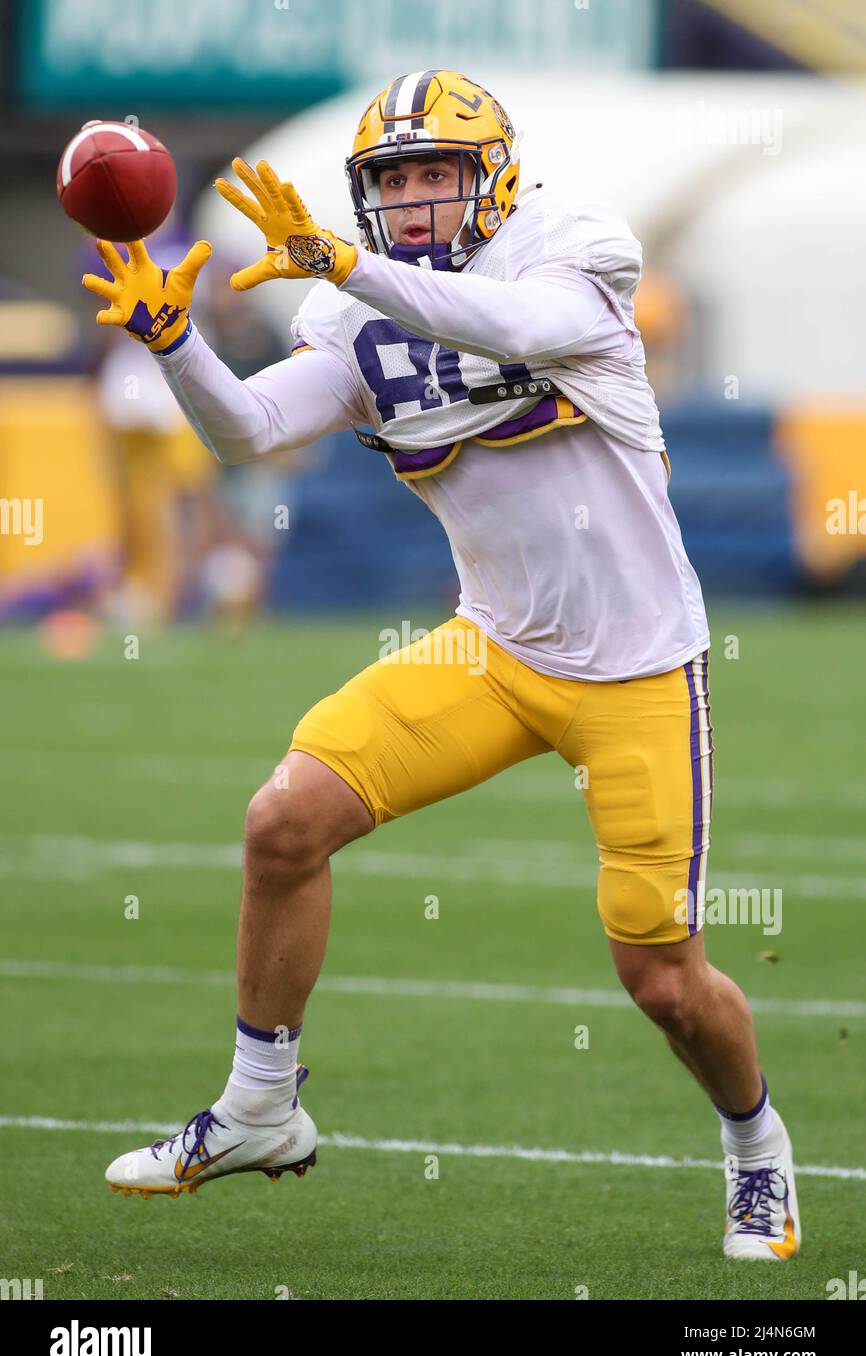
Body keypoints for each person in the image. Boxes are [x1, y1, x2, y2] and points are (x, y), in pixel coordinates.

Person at [84, 69, 799, 1261]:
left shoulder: (569, 248)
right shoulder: (349, 304)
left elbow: (516, 330)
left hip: (634, 669)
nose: (411, 200)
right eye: (391, 182)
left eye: (434, 174)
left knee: (664, 982)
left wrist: (343, 265)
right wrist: (175, 343)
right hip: (495, 646)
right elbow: (250, 430)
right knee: (283, 820)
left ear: (492, 178)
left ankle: (754, 1149)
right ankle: (262, 1103)